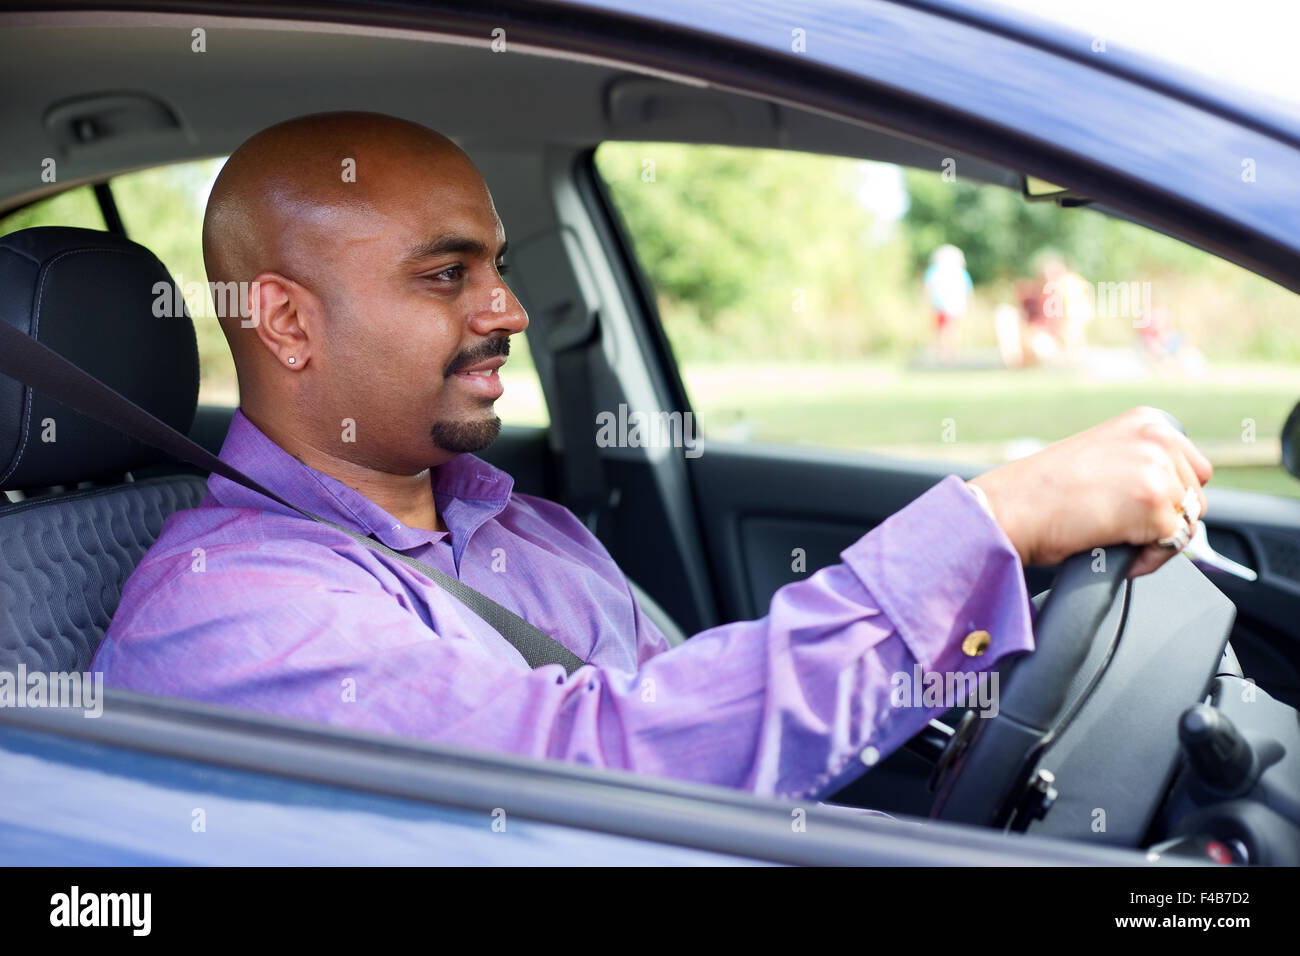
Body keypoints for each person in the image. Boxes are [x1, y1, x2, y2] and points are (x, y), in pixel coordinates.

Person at [94, 112, 1212, 803]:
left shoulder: (514, 523)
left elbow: (689, 701)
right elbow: (583, 780)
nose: (510, 310)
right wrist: (985, 524)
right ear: (287, 324)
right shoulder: (232, 611)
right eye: (446, 276)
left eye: (498, 264)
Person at [923, 244, 973, 362]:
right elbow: (969, 290)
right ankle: (946, 353)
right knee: (948, 330)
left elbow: (927, 287)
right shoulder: (958, 271)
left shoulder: (936, 271)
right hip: (947, 306)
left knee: (945, 330)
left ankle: (946, 354)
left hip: (947, 306)